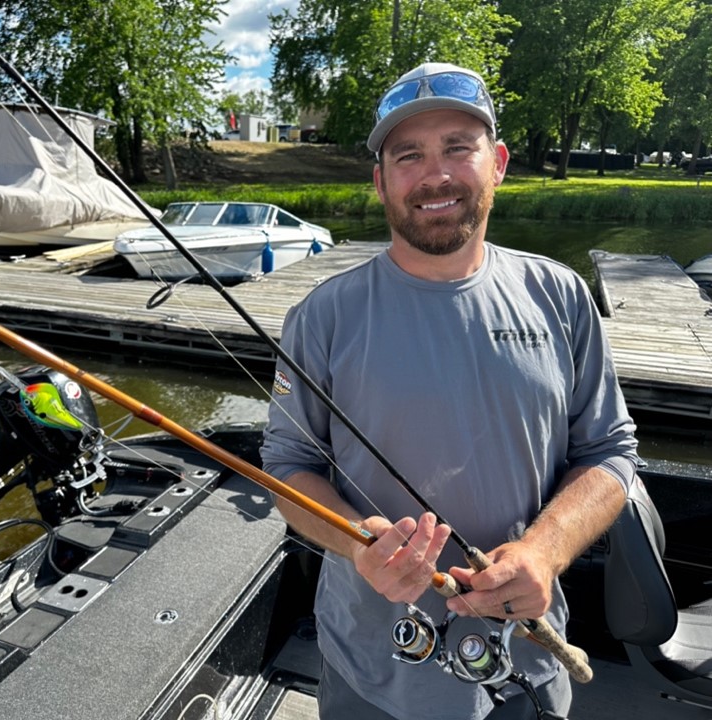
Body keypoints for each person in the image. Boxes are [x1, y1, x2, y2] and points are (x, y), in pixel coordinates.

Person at [260, 62, 639, 720]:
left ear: (495, 162)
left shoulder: (561, 297)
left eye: (456, 148)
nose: (433, 175)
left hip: (528, 652)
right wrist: (356, 541)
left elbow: (610, 451)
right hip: (371, 663)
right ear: (379, 181)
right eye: (407, 155)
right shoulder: (320, 316)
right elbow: (286, 467)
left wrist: (542, 552)